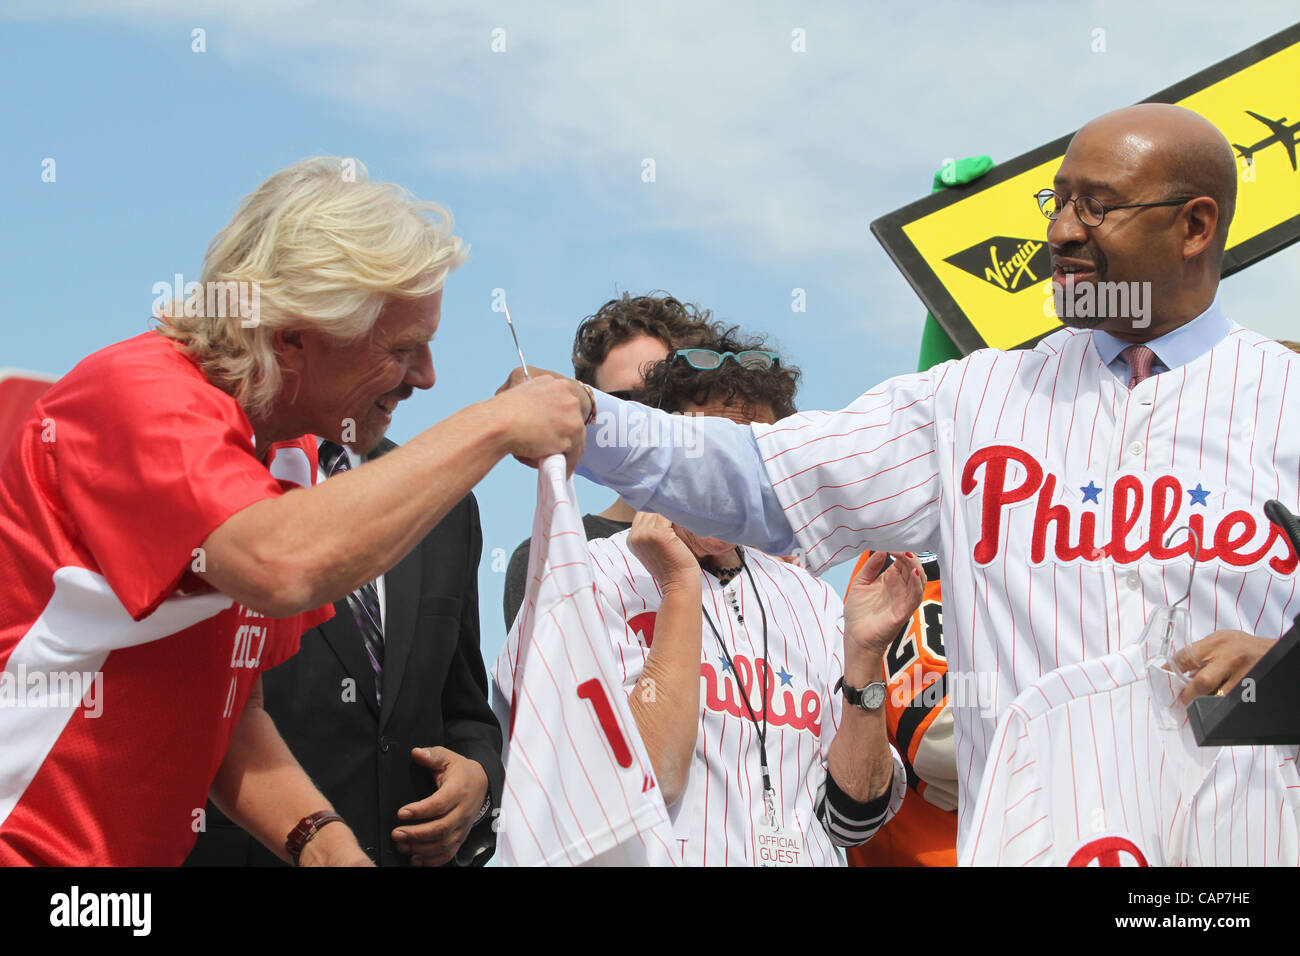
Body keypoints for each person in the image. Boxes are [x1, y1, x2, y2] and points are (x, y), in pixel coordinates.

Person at [513, 103, 1300, 845]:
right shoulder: (972, 400)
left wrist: (1288, 674)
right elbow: (760, 476)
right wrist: (586, 416)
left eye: (1096, 206)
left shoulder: (1287, 401)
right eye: (1053, 202)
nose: (1060, 232)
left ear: (1196, 225)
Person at [0, 157, 587, 866]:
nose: (428, 377)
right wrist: (494, 426)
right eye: (403, 349)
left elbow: (231, 713)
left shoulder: (287, 455)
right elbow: (278, 564)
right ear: (292, 339)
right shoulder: (140, 396)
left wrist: (327, 848)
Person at [500, 327, 914, 865]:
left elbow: (852, 820)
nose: (728, 480)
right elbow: (642, 785)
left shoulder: (811, 598)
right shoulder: (586, 576)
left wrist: (863, 662)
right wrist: (678, 586)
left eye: (751, 459)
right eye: (710, 447)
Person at [187, 429, 502, 868]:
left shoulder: (444, 496)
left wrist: (477, 779)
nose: (422, 376)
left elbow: (464, 711)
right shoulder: (214, 469)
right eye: (394, 353)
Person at [502, 293, 710, 629]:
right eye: (623, 403)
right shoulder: (553, 558)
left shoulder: (756, 548)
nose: (645, 415)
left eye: (663, 394)